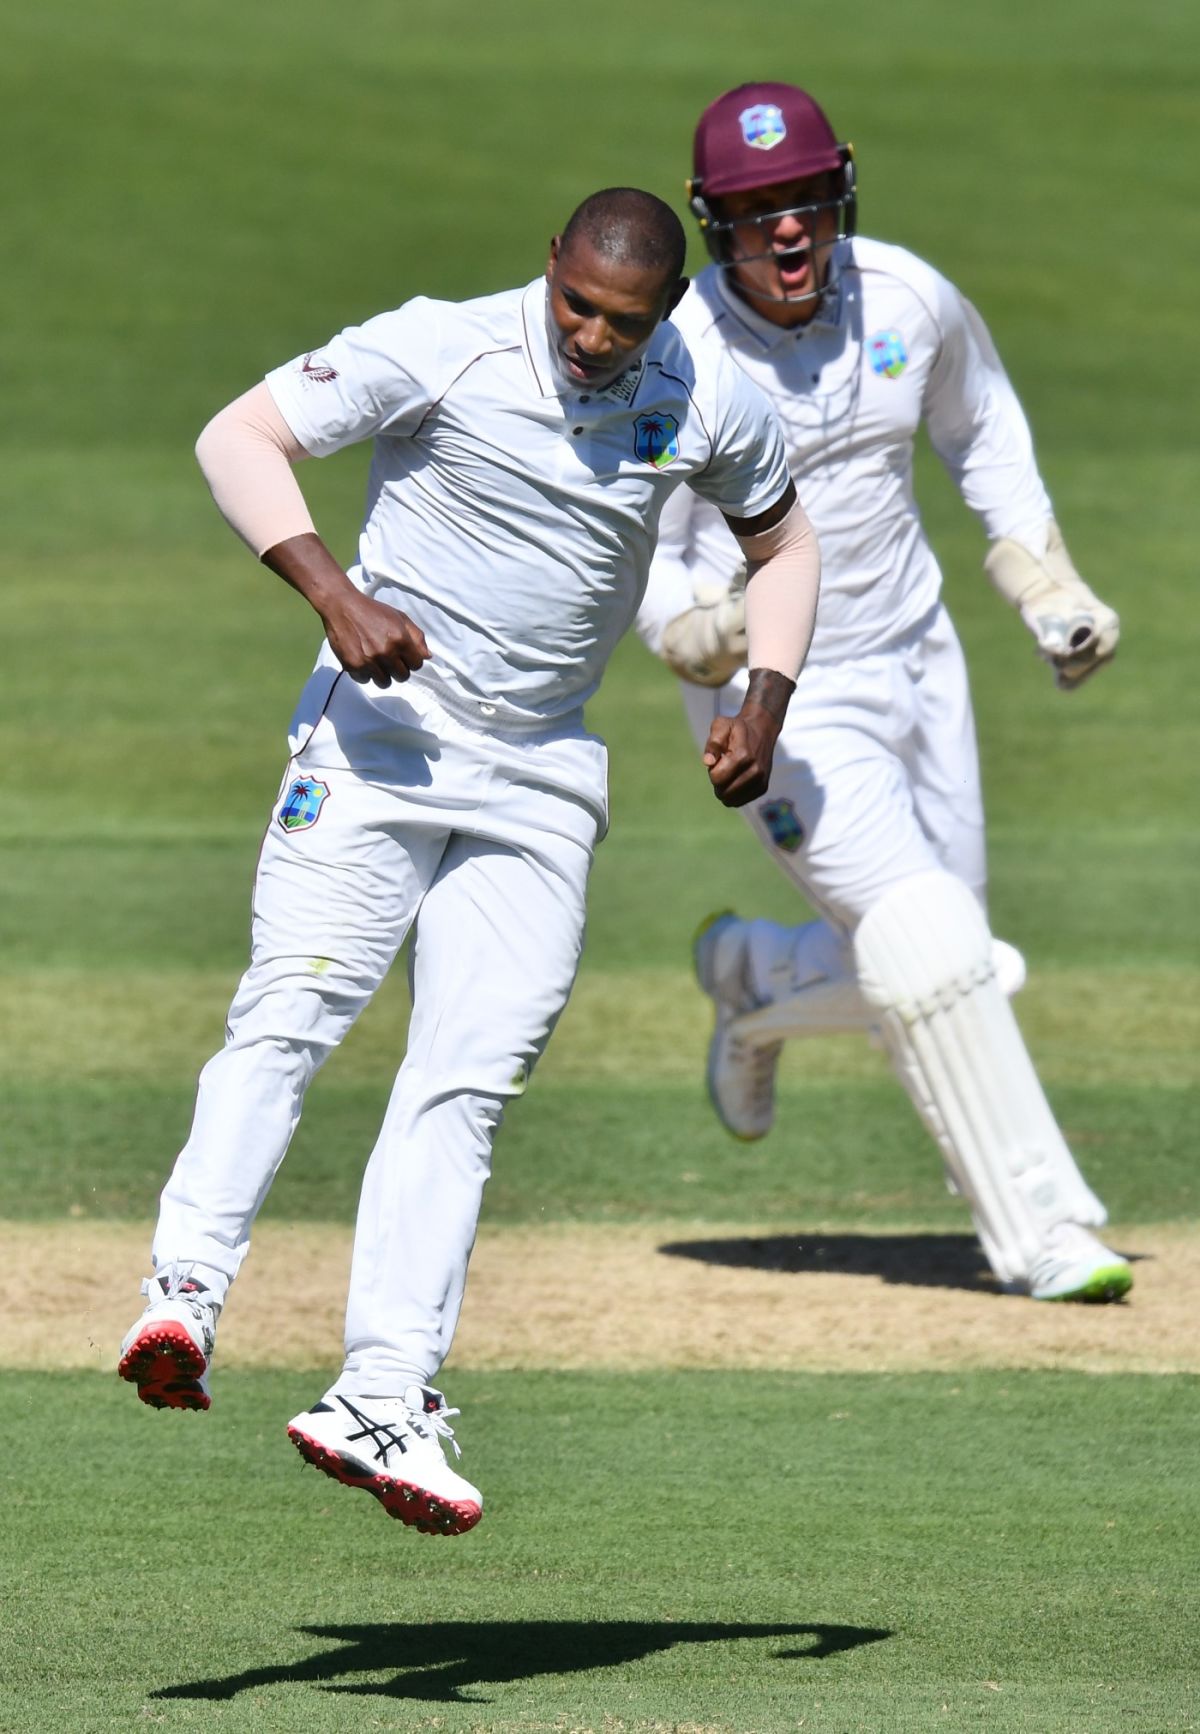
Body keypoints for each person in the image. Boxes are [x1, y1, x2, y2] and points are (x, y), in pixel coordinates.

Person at [117, 188, 820, 1535]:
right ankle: (184, 1295)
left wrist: (767, 700)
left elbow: (783, 542)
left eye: (623, 322)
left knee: (469, 1077)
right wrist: (334, 590)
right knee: (293, 1012)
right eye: (576, 305)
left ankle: (381, 1388)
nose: (593, 340)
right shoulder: (443, 346)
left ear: (663, 310)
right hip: (376, 741)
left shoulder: (706, 393)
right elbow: (240, 435)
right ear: (548, 265)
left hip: (542, 771)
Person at [637, 85, 1131, 1305]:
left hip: (920, 660)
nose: (789, 234)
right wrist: (691, 633)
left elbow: (985, 425)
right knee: (928, 946)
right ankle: (1043, 1232)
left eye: (804, 201)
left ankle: (756, 981)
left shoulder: (907, 297)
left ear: (840, 190)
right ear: (715, 224)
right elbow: (628, 536)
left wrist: (1041, 578)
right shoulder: (678, 356)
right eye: (756, 214)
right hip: (779, 701)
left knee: (962, 963)